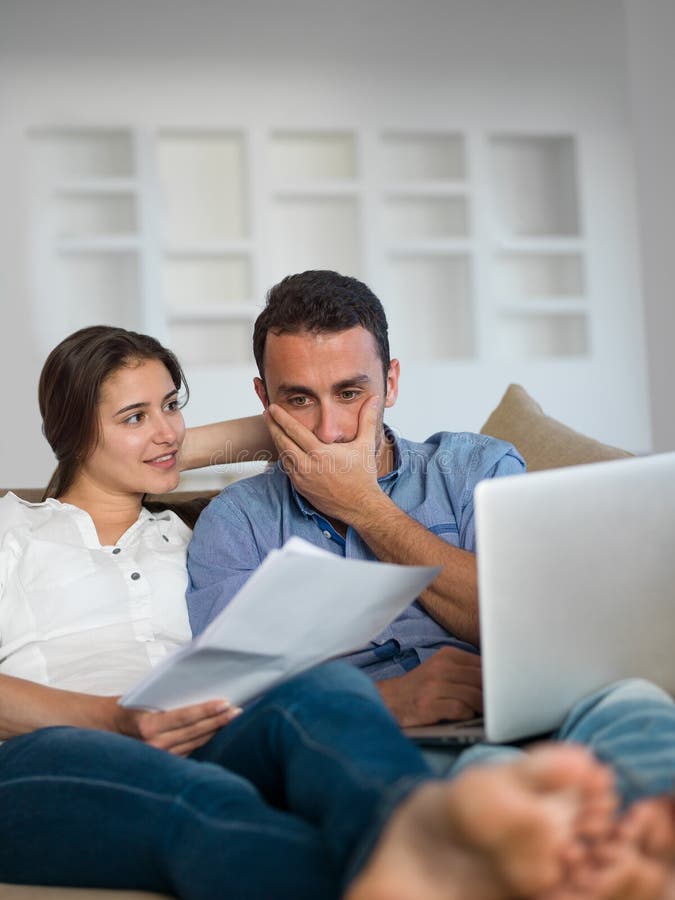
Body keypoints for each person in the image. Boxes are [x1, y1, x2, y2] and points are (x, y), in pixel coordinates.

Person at [1, 323, 630, 900]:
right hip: (51, 753)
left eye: (172, 406)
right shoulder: (12, 528)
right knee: (210, 806)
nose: (168, 430)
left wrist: (151, 446)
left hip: (202, 739)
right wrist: (113, 719)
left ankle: (429, 840)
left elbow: (316, 429)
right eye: (134, 415)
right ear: (72, 430)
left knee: (326, 687)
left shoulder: (190, 536)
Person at [185, 270, 675, 810]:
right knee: (491, 782)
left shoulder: (474, 469)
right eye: (299, 400)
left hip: (532, 708)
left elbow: (533, 625)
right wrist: (383, 701)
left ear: (391, 383)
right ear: (264, 399)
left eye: (350, 393)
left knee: (635, 704)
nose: (329, 431)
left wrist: (364, 506)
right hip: (393, 740)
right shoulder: (235, 523)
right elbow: (229, 709)